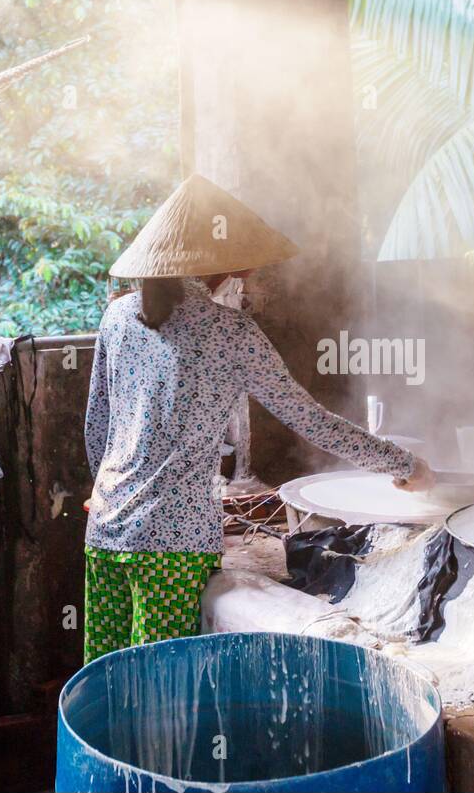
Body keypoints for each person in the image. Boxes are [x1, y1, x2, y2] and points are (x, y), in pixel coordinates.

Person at [83, 174, 434, 663]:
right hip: (172, 549)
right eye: (243, 270)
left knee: (108, 676)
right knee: (162, 685)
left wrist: (101, 489)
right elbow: (311, 421)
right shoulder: (232, 333)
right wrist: (403, 464)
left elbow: (98, 420)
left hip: (105, 529)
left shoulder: (117, 316)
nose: (247, 280)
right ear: (224, 270)